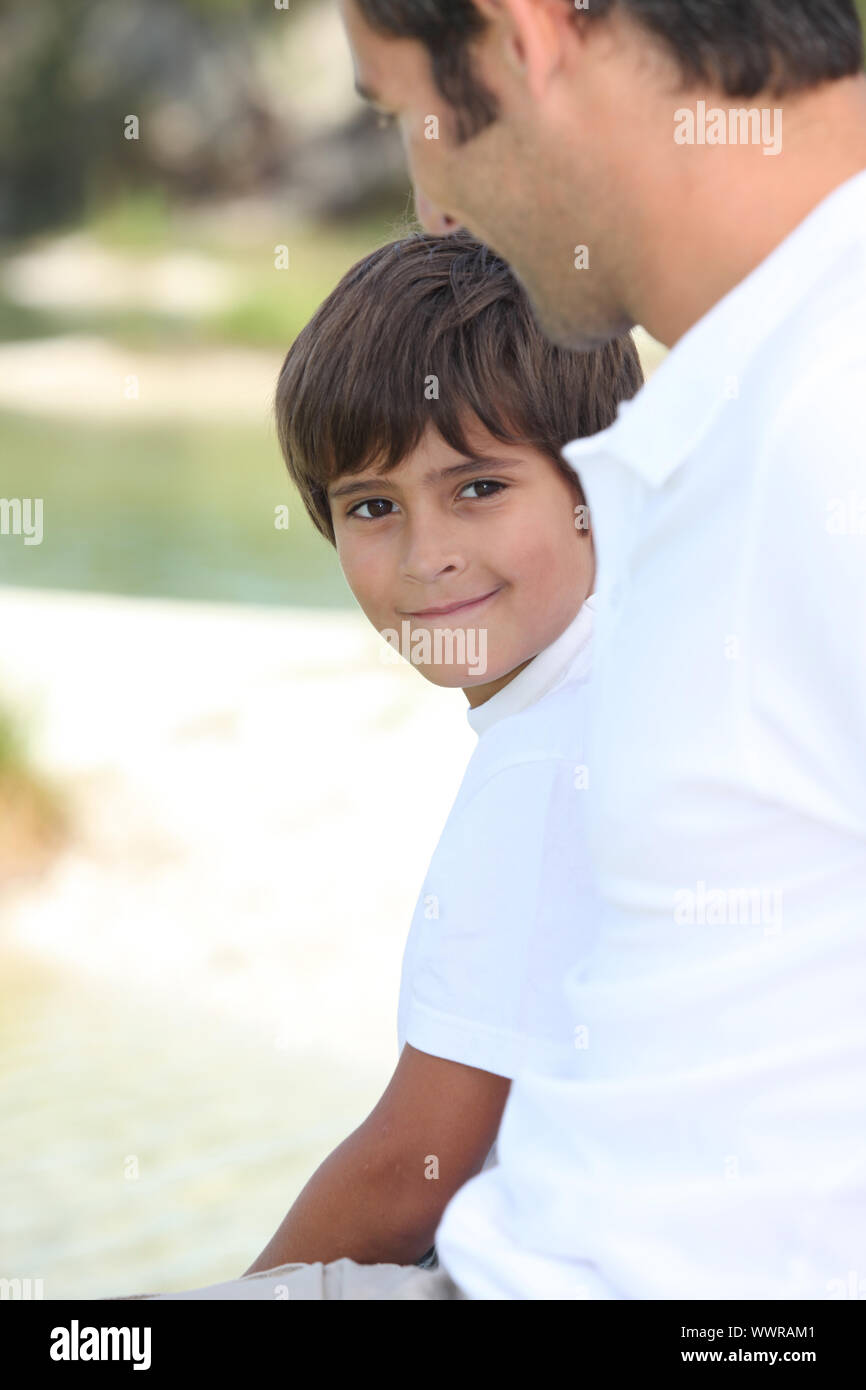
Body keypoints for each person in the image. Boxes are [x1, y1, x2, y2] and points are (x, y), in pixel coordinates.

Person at [107, 0, 866, 1300]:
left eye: (405, 112)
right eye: (368, 507)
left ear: (526, 36)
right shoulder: (743, 421)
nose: (431, 201)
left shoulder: (818, 419)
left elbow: (426, 1144)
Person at [102, 231, 643, 1299]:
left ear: (600, 484)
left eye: (477, 487)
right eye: (371, 506)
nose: (424, 553)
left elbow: (415, 1165)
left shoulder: (544, 760)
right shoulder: (631, 675)